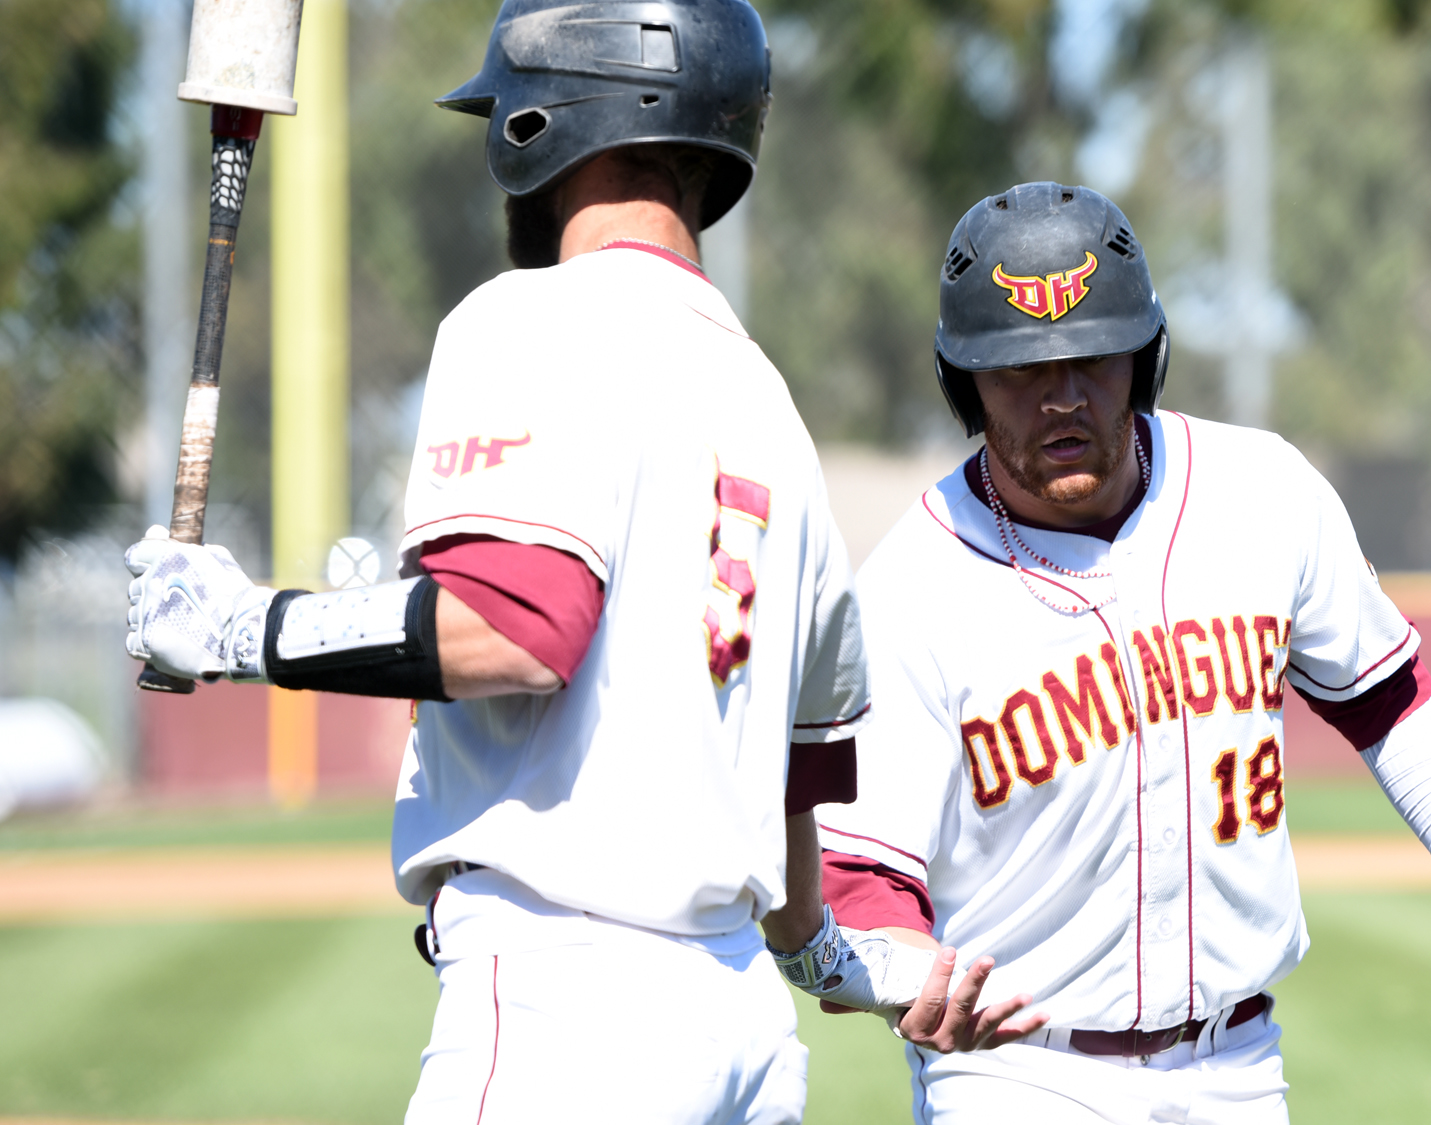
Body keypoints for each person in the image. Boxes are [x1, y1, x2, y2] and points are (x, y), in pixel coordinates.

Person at [124, 3, 927, 1120]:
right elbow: (801, 766)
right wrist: (821, 952)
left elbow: (516, 628)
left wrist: (233, 626)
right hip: (746, 1025)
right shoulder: (768, 404)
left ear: (542, 126)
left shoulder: (533, 317)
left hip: (571, 1009)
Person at [813, 182, 1431, 1121]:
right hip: (1019, 1071)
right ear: (964, 381)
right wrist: (904, 966)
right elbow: (859, 873)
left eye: (1095, 357)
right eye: (1021, 369)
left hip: (1239, 1064)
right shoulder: (910, 588)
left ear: (1147, 355)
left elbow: (1388, 697)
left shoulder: (1263, 492)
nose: (1063, 398)